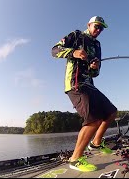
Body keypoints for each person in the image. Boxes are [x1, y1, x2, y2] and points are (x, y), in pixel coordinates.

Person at [51, 16, 118, 172]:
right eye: (97, 26)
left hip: (89, 84)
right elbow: (54, 51)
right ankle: (75, 159)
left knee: (111, 112)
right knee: (93, 120)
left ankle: (96, 143)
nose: (99, 30)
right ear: (89, 25)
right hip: (75, 84)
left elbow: (95, 73)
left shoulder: (97, 45)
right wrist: (74, 52)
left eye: (102, 28)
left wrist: (94, 67)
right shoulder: (76, 35)